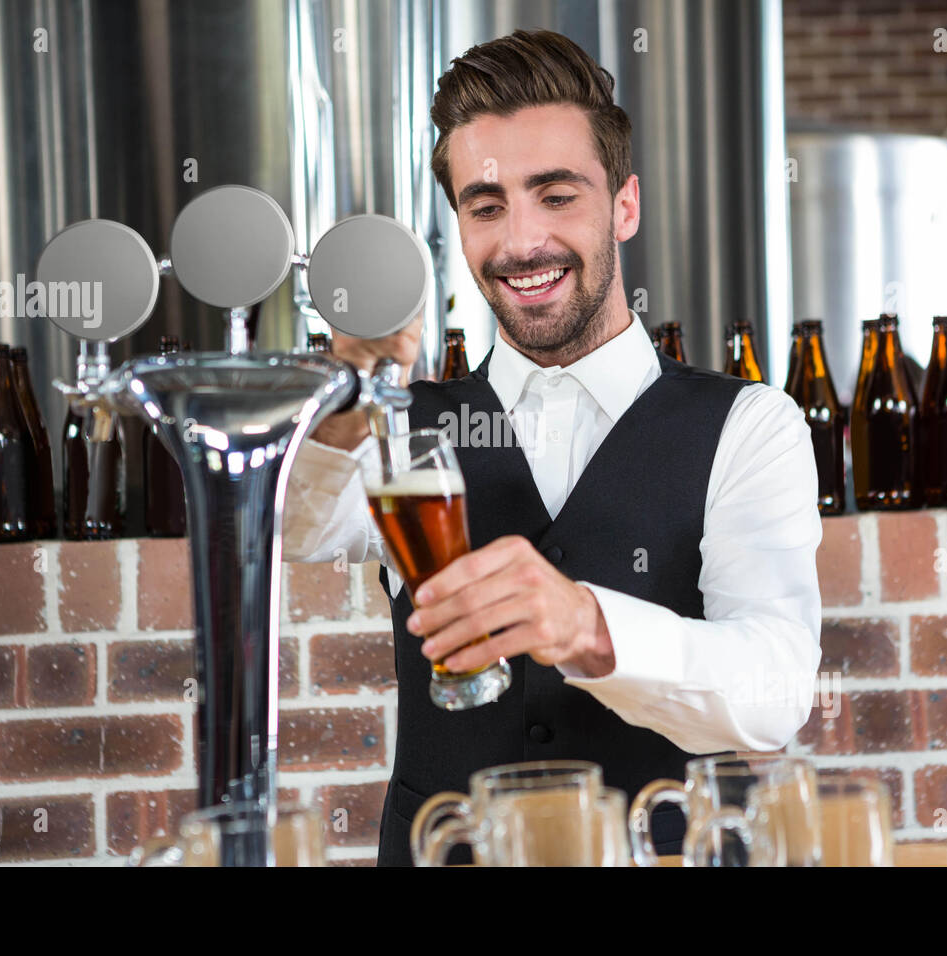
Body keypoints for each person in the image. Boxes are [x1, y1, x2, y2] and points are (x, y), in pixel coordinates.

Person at [283, 28, 822, 866]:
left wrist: (586, 625)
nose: (521, 243)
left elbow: (776, 690)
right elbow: (295, 527)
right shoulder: (395, 425)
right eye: (486, 206)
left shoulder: (751, 426)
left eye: (557, 195)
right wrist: (343, 398)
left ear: (625, 205)